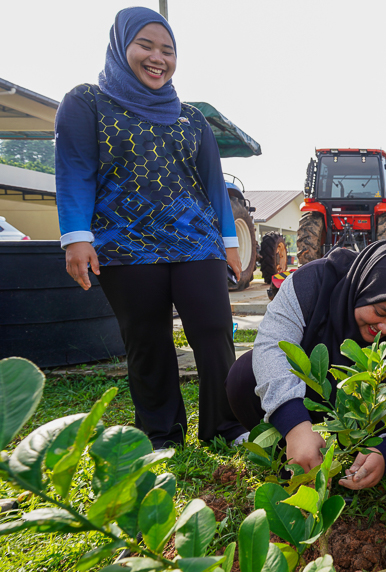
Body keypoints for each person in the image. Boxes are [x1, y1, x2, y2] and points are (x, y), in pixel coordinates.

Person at [54, 7, 247, 449]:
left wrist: (230, 244)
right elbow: (76, 170)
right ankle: (161, 435)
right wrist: (77, 237)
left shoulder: (192, 117)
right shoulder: (86, 102)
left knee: (214, 330)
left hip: (196, 241)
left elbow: (213, 184)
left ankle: (226, 425)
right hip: (125, 244)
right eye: (146, 45)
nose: (158, 57)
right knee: (147, 340)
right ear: (122, 47)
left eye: (168, 50)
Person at [225, 240, 386, 490]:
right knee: (245, 374)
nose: (385, 328)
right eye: (380, 311)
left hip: (366, 429)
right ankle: (293, 450)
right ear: (363, 289)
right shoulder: (312, 284)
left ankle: (358, 458)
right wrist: (295, 426)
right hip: (304, 406)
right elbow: (272, 345)